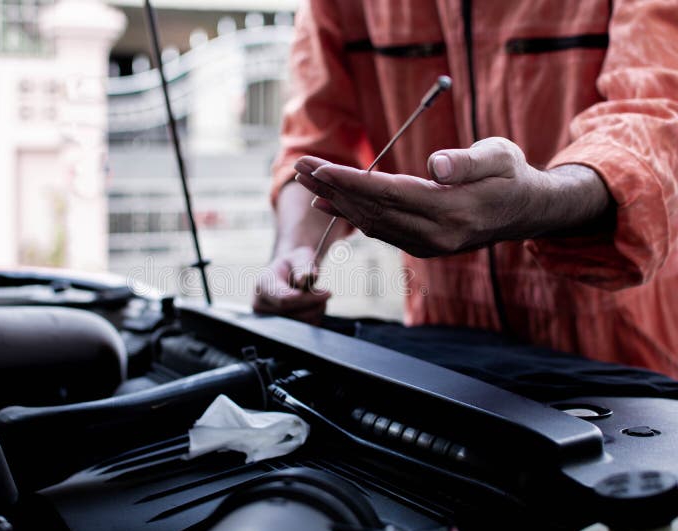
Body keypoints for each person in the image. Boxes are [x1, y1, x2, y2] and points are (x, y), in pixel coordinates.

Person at [252, 1, 678, 377]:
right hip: (441, 348)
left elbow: (655, 124)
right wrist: (292, 251)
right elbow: (314, 140)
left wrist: (539, 199)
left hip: (621, 342)